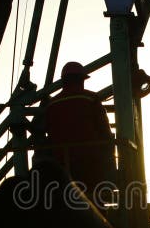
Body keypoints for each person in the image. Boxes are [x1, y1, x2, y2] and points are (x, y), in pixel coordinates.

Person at [44, 61, 115, 206]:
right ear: (81, 80)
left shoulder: (52, 104)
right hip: (90, 163)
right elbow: (105, 130)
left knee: (66, 205)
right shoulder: (90, 98)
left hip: (61, 166)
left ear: (63, 81)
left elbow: (46, 132)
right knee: (96, 203)